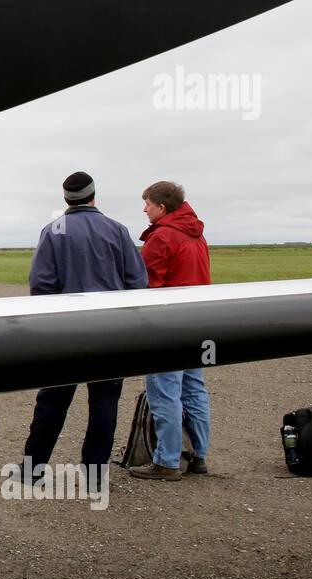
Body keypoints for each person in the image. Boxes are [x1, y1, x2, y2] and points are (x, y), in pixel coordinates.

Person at [20, 172, 148, 482]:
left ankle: (32, 470)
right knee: (104, 403)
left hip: (65, 333)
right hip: (111, 333)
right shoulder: (117, 231)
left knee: (51, 401)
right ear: (93, 195)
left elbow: (41, 285)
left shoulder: (52, 232)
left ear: (66, 199)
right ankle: (94, 475)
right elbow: (138, 282)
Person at [129, 180, 212, 481]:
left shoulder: (163, 237)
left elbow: (148, 286)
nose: (144, 209)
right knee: (194, 390)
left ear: (162, 207)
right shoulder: (197, 235)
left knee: (165, 392)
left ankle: (166, 461)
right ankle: (199, 456)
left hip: (168, 324)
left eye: (148, 204)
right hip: (198, 321)